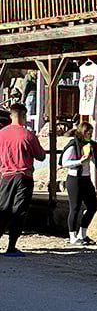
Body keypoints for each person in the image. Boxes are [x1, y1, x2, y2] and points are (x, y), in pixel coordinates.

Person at [0, 103, 46, 257]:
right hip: (24, 177)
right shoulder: (28, 135)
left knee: (3, 209)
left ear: (10, 116)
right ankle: (11, 247)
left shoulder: (1, 134)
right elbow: (41, 156)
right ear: (24, 116)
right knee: (18, 211)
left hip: (6, 177)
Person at [61, 122, 97, 245]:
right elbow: (65, 162)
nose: (90, 134)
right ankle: (72, 236)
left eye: (91, 132)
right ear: (81, 132)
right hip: (74, 179)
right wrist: (80, 161)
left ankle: (82, 234)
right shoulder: (73, 145)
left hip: (86, 179)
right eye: (87, 132)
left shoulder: (90, 145)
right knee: (75, 208)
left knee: (92, 207)